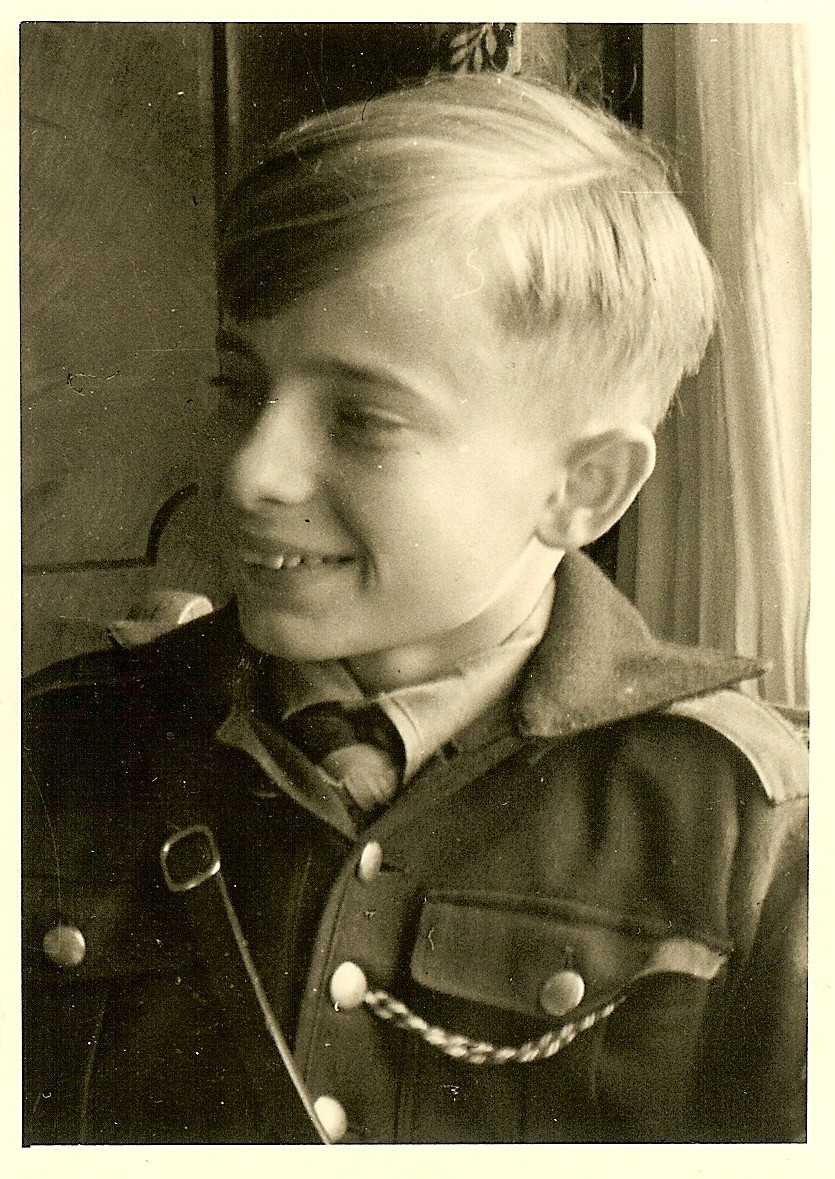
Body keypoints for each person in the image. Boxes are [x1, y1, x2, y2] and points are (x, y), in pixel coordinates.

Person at [22, 73, 807, 1145]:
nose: (252, 471)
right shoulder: (60, 747)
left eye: (361, 418)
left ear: (580, 488)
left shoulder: (745, 835)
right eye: (241, 390)